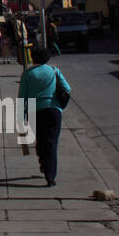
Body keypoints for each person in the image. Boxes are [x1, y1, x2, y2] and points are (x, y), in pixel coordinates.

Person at [18, 45, 71, 187]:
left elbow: (22, 97)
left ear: (33, 58)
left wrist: (20, 116)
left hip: (35, 111)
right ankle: (50, 175)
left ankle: (43, 161)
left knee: (41, 140)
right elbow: (67, 88)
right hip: (53, 110)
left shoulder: (28, 74)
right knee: (52, 143)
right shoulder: (54, 71)